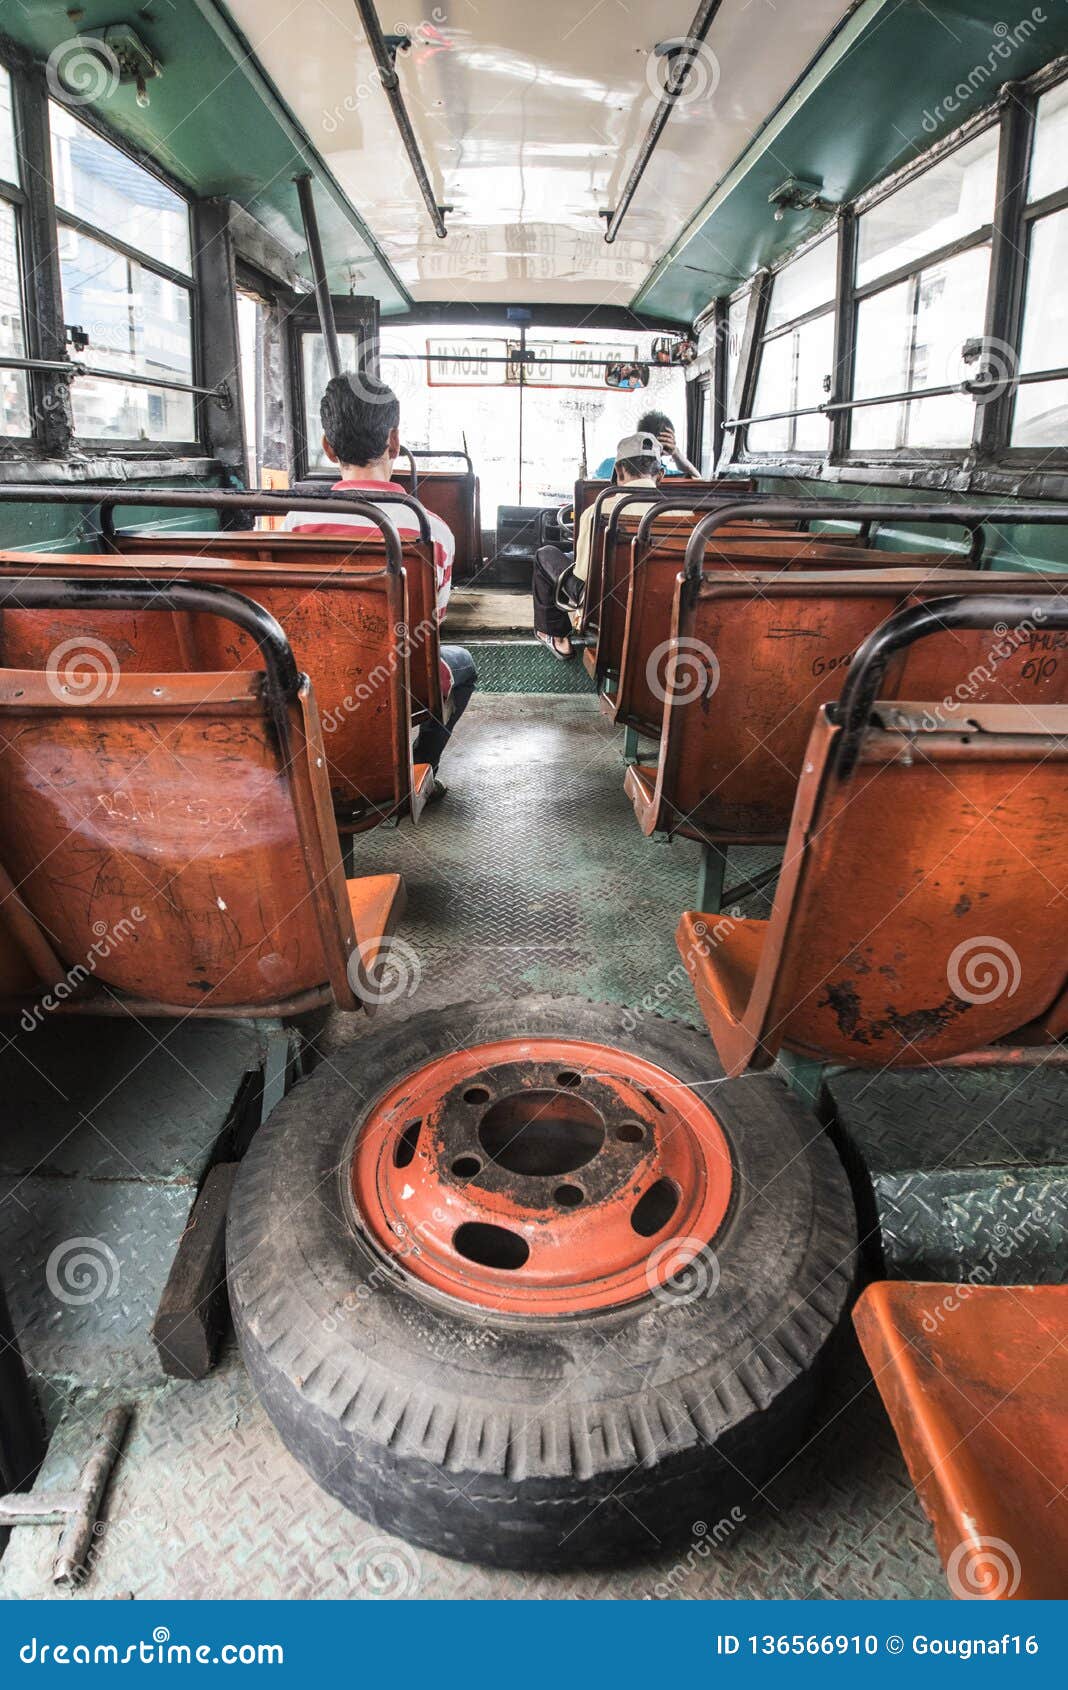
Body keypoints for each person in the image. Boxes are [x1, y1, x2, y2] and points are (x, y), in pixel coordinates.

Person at [284, 372, 476, 801]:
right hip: (401, 685)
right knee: (460, 663)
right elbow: (430, 624)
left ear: (328, 447)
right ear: (394, 442)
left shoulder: (294, 523)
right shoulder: (433, 531)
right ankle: (419, 772)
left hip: (309, 686)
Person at [533, 431, 663, 660]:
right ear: (660, 475)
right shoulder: (683, 512)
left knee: (547, 554)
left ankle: (556, 635)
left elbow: (583, 574)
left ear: (619, 470)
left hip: (605, 611)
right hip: (659, 608)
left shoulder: (598, 512)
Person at [592, 409, 698, 480]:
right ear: (665, 448)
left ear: (637, 437)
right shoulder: (664, 473)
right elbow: (699, 484)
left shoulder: (609, 465)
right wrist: (676, 453)